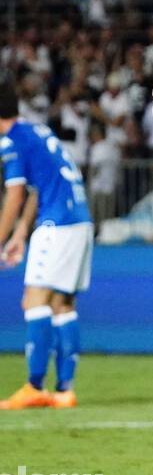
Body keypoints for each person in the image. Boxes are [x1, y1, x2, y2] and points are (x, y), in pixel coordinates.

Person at [0, 82, 92, 409]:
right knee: (62, 304)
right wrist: (20, 233)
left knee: (34, 300)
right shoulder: (36, 131)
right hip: (80, 220)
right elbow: (37, 188)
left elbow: (15, 195)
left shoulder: (11, 141)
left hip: (57, 225)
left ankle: (34, 386)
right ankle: (64, 391)